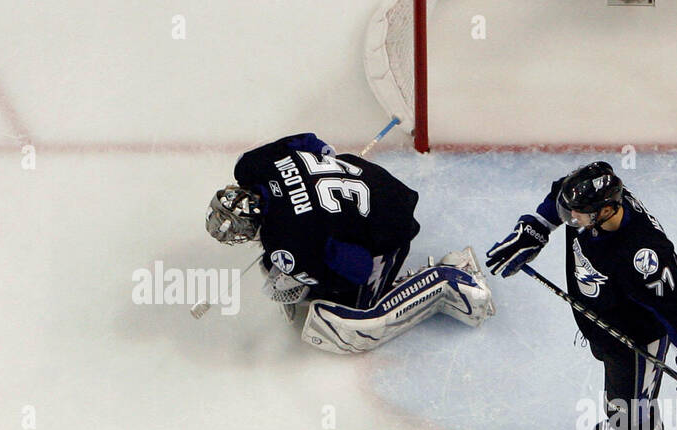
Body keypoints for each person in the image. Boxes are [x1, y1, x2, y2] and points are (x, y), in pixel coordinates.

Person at [485, 161, 677, 430]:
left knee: (631, 407)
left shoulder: (643, 255)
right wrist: (536, 230)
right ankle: (624, 421)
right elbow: (561, 197)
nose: (571, 219)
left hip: (637, 335)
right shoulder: (594, 205)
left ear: (607, 210)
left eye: (580, 215)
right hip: (603, 322)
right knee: (617, 383)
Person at [206, 132, 493, 351]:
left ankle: (450, 277)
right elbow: (311, 142)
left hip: (392, 222)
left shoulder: (287, 241)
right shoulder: (253, 165)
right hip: (376, 179)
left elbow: (358, 268)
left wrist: (315, 277)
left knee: (356, 312)